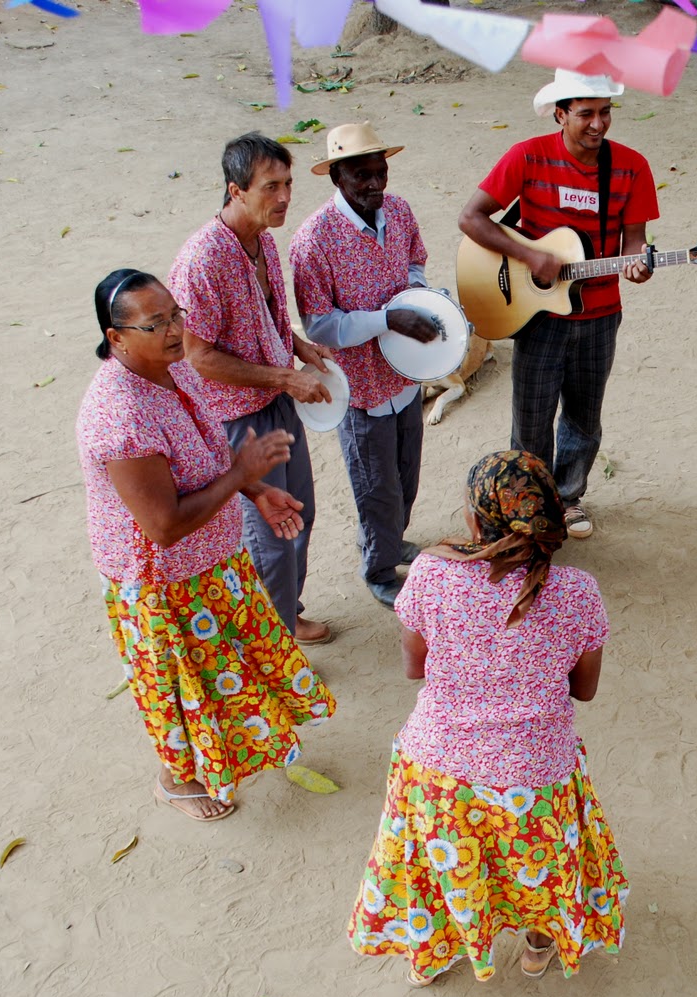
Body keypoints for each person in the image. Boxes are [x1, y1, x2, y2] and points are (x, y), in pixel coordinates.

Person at [348, 451, 626, 986]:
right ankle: (539, 945)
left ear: (474, 520)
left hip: (436, 772)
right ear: (551, 515)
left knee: (446, 871)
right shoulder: (578, 593)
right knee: (539, 870)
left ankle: (433, 956)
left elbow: (415, 668)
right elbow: (584, 691)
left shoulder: (430, 573)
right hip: (535, 775)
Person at [76, 269, 336, 822]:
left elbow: (210, 459)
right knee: (177, 687)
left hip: (214, 560)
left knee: (225, 671)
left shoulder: (176, 372)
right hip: (161, 581)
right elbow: (164, 526)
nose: (173, 331)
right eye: (155, 323)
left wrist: (258, 490)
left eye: (176, 315)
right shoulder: (118, 417)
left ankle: (219, 757)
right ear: (116, 337)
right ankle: (174, 780)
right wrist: (243, 470)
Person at [457, 70, 660, 539]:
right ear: (560, 113)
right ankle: (527, 504)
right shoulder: (527, 156)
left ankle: (567, 499)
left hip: (601, 313)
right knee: (531, 417)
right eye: (585, 113)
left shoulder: (631, 167)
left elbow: (635, 243)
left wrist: (637, 265)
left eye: (605, 112)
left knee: (584, 418)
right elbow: (471, 217)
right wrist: (531, 256)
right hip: (537, 314)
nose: (598, 124)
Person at [169, 132, 336, 644]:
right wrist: (286, 376)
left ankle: (287, 615)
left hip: (276, 401)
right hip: (239, 420)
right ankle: (272, 648)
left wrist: (300, 347)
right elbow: (199, 358)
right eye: (271, 187)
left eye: (287, 184)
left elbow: (261, 320)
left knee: (298, 515)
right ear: (235, 190)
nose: (284, 197)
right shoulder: (203, 261)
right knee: (270, 536)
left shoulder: (262, 237)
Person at [290, 122, 440, 609]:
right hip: (361, 388)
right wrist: (386, 318)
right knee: (376, 486)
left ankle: (391, 542)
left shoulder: (398, 211)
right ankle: (379, 569)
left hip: (404, 373)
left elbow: (416, 260)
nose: (376, 184)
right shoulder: (313, 240)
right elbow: (319, 326)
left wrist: (414, 294)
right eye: (362, 175)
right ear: (337, 177)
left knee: (406, 474)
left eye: (381, 172)